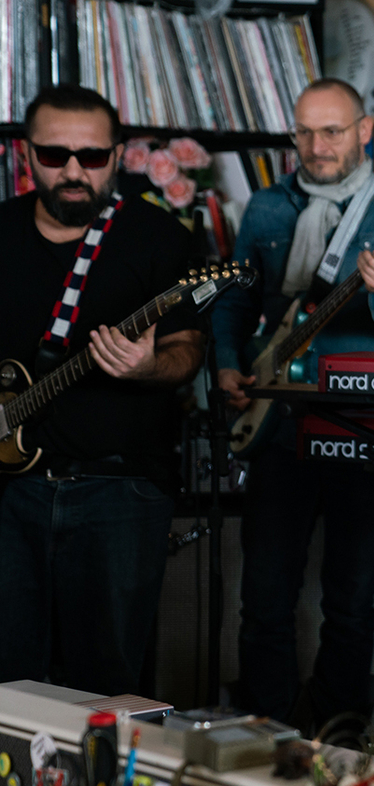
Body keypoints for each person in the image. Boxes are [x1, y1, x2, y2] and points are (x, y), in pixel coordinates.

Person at [211, 77, 374, 729]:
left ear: (364, 131)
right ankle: (264, 732)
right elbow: (236, 304)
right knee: (263, 597)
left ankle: (337, 734)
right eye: (305, 133)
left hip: (363, 429)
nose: (317, 146)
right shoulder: (266, 207)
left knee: (350, 599)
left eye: (332, 131)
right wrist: (228, 364)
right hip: (276, 426)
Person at [0, 85, 204, 695]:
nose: (72, 171)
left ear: (116, 155)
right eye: (53, 154)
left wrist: (147, 367)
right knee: (7, 680)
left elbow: (187, 353)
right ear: (25, 155)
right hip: (9, 494)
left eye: (90, 156)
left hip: (120, 490)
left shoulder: (159, 237)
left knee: (108, 685)